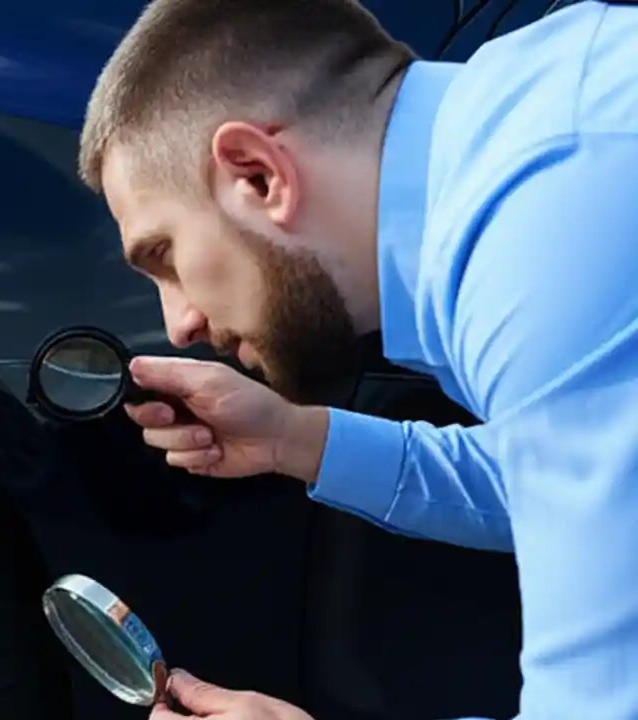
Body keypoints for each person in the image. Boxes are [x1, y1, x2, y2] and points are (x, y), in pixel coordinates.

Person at [78, 0, 638, 718]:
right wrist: (296, 439)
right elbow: (567, 481)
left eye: (165, 255)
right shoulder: (532, 114)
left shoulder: (540, 243)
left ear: (258, 174)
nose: (179, 323)